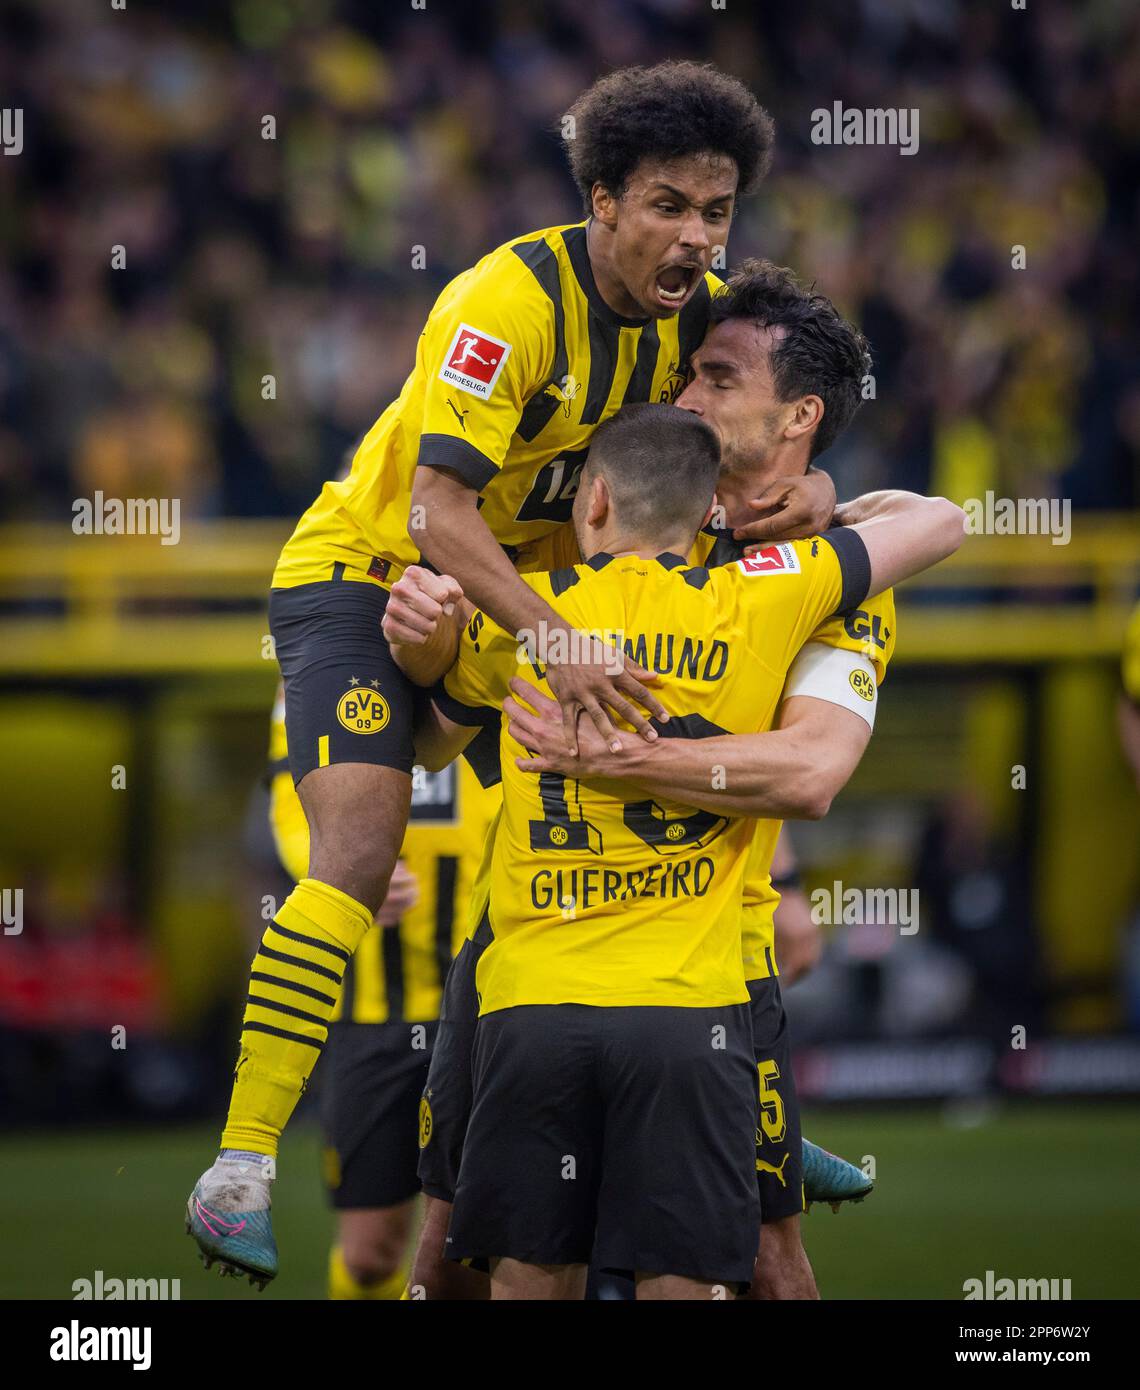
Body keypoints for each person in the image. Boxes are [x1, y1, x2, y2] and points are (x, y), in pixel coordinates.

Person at [185, 62, 826, 1286]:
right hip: (370, 578)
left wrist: (818, 488)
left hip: (511, 605)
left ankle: (768, 1138)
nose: (697, 235)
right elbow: (432, 511)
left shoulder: (701, 318)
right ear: (601, 199)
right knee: (361, 851)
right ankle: (240, 1164)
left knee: (653, 812)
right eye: (668, 204)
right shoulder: (506, 302)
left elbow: (778, 426)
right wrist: (551, 634)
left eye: (717, 209)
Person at [385, 402, 963, 1297]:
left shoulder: (533, 620)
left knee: (526, 1280)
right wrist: (825, 504)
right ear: (705, 519)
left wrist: (425, 650)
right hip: (690, 1013)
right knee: (687, 1283)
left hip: (531, 1004)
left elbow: (420, 747)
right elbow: (942, 524)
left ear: (596, 501)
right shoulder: (770, 591)